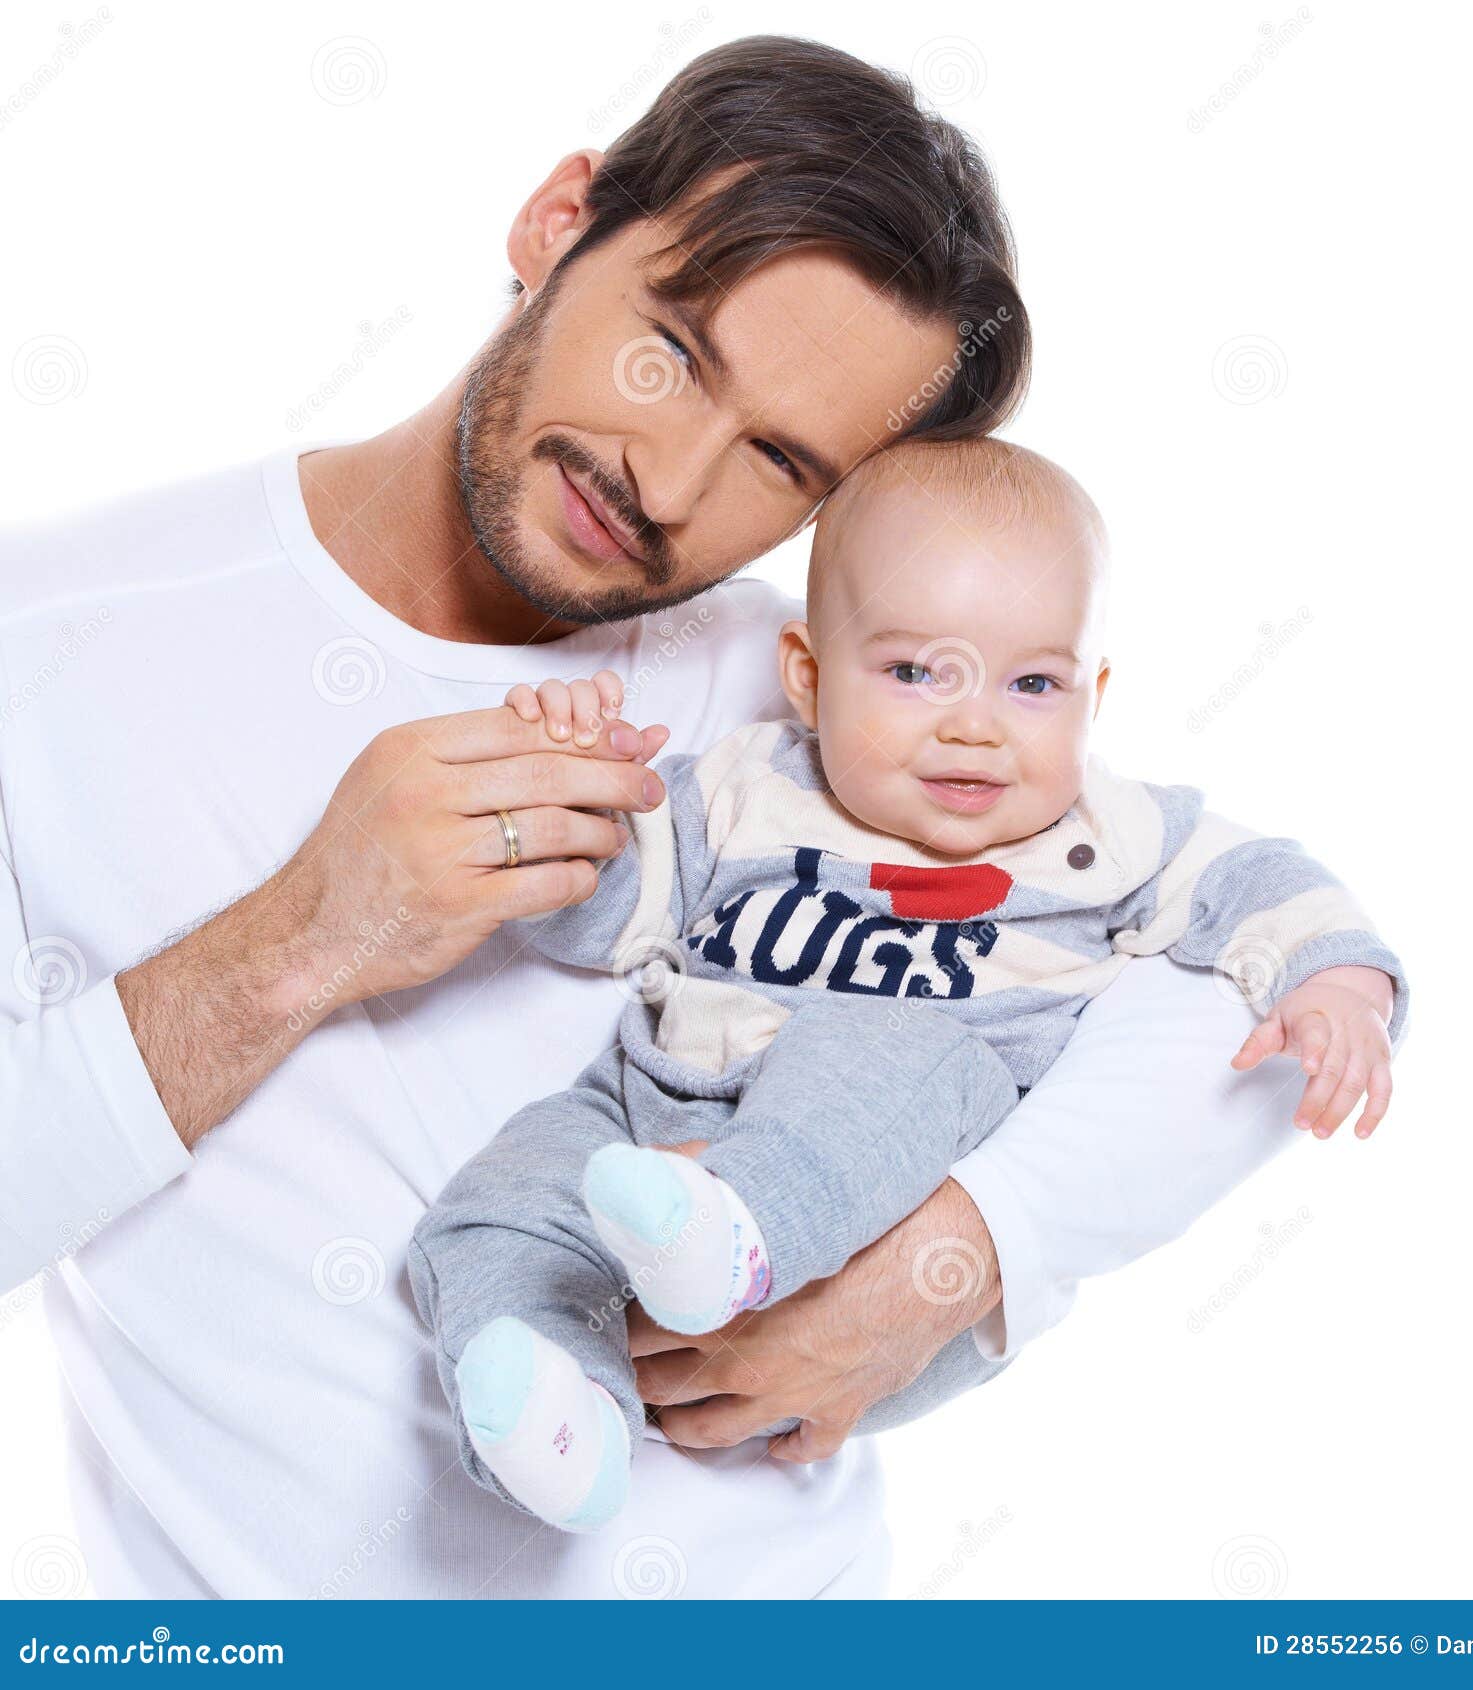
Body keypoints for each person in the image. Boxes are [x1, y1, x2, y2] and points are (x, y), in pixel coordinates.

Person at [3, 39, 1306, 1598]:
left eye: (779, 458)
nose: (670, 478)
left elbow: (1224, 986)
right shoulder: (55, 646)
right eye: (676, 351)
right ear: (559, 220)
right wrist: (306, 935)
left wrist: (953, 1258)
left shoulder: (821, 695)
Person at [409, 440, 1407, 1532]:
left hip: (891, 1204)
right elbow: (605, 921)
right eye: (914, 673)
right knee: (504, 1195)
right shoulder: (739, 787)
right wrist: (576, 805)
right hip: (660, 1126)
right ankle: (564, 1420)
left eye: (1033, 683)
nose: (974, 724)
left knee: (883, 1040)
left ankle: (744, 1233)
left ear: (1094, 694)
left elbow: (1259, 880)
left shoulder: (1108, 833)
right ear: (808, 675)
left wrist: (1341, 982)